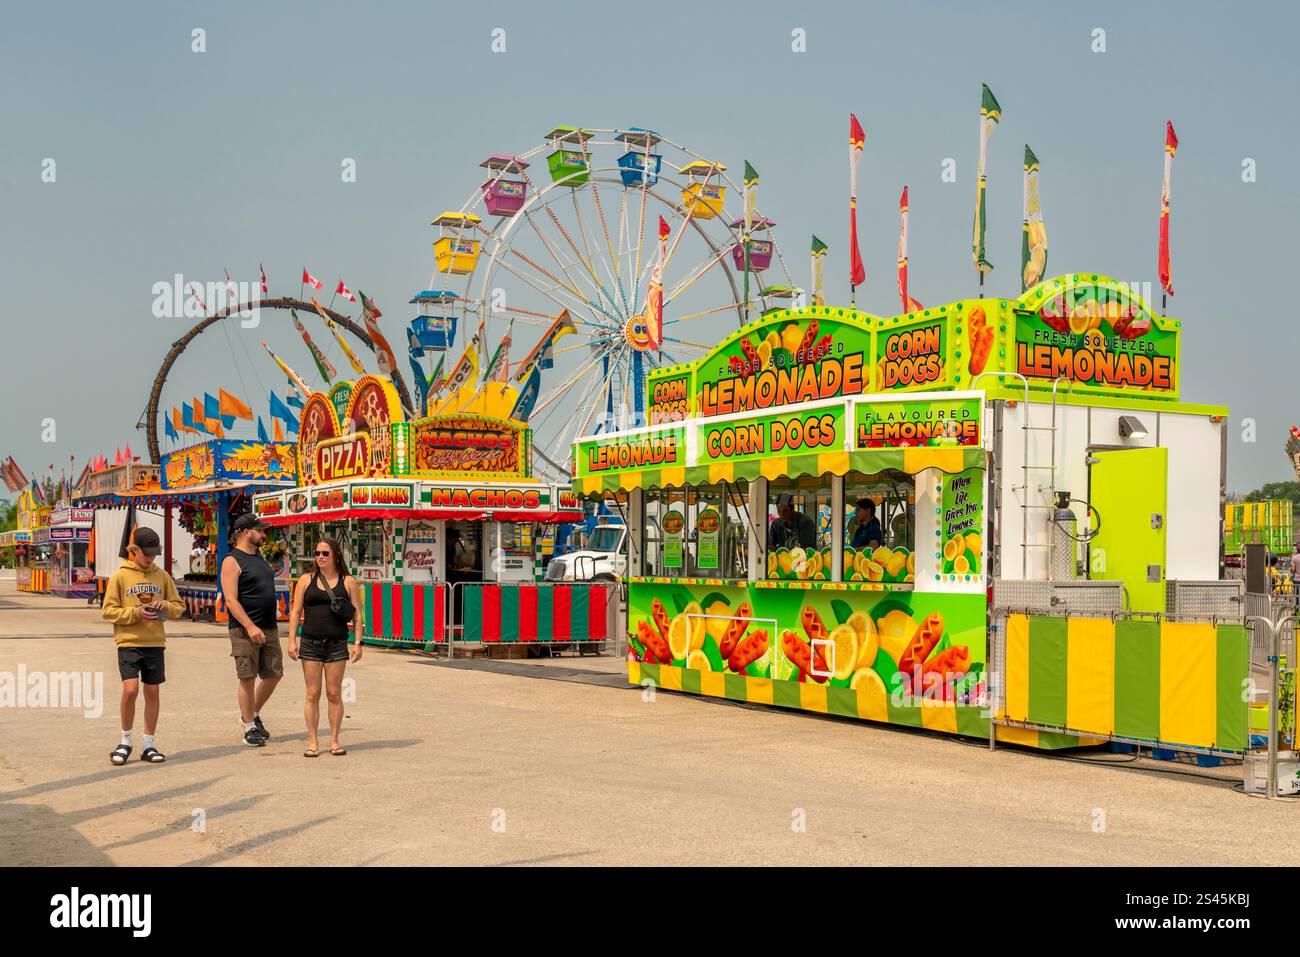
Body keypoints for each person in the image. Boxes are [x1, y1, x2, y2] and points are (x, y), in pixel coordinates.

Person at [103, 527, 186, 766]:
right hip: (128, 642)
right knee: (130, 691)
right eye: (146, 553)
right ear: (134, 549)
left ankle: (149, 744)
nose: (150, 557)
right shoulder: (120, 576)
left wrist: (165, 607)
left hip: (155, 642)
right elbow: (108, 611)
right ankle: (125, 741)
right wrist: (135, 613)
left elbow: (179, 606)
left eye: (154, 553)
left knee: (152, 692)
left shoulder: (162, 576)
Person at [286, 538, 363, 757]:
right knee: (312, 693)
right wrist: (291, 640)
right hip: (310, 642)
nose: (320, 557)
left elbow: (357, 614)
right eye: (317, 553)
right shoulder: (305, 580)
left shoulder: (348, 581)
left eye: (325, 553)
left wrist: (358, 643)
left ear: (335, 555)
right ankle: (313, 742)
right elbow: (296, 611)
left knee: (334, 693)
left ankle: (335, 740)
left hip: (337, 643)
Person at [220, 514, 283, 748]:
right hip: (244, 629)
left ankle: (252, 714)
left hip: (269, 626)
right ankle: (249, 728)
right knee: (247, 677)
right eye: (260, 530)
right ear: (246, 532)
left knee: (274, 673)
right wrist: (249, 625)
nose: (264, 535)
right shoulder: (232, 561)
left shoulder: (259, 557)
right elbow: (231, 600)